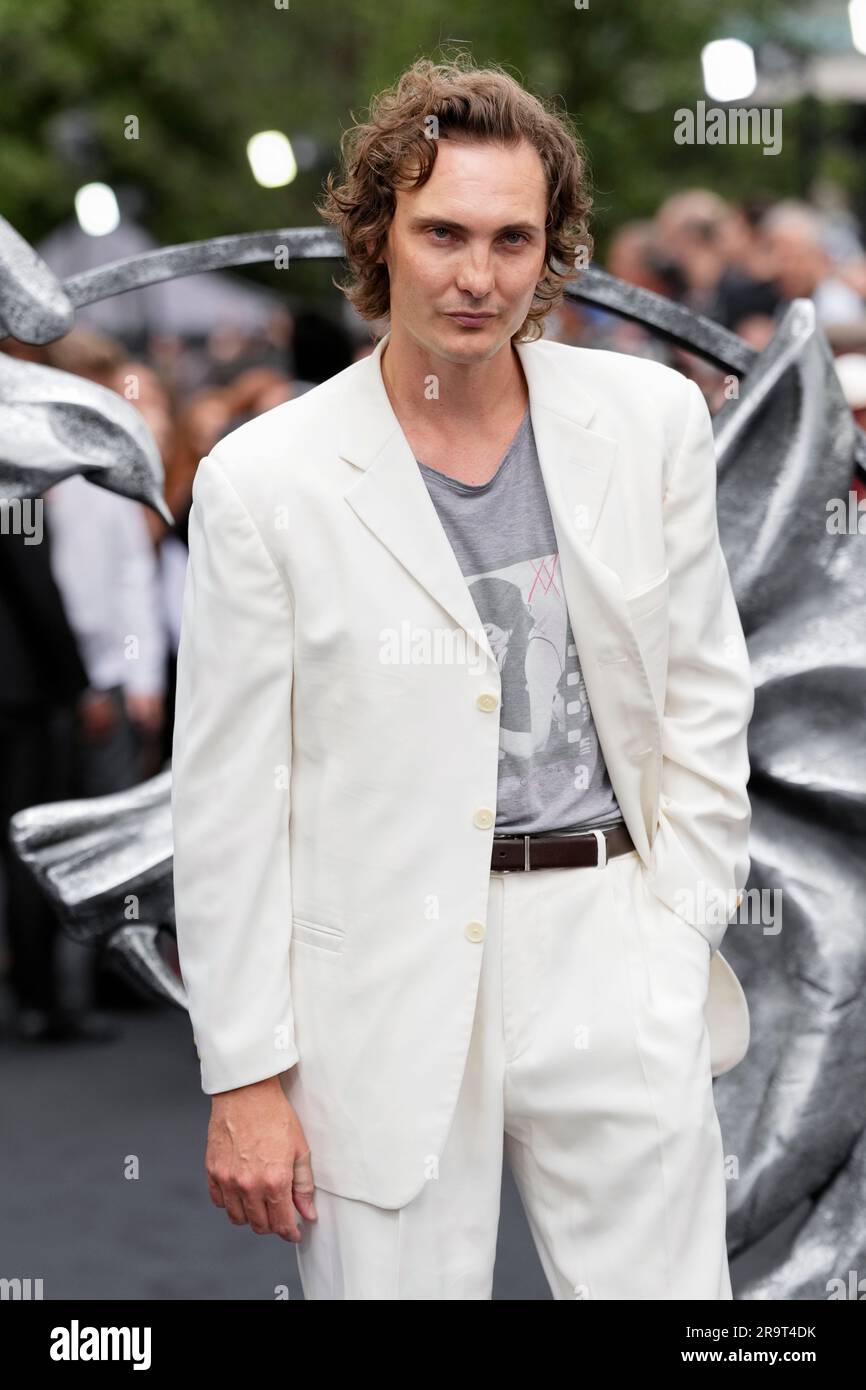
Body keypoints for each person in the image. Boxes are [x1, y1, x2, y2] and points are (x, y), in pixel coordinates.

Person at [170, 53, 755, 1300]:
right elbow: (226, 803)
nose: (476, 275)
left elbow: (705, 691)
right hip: (374, 978)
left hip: (608, 940)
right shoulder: (263, 480)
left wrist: (674, 926)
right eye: (441, 232)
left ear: (553, 250)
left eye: (511, 238)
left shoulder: (647, 422)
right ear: (378, 231)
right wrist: (243, 1073)